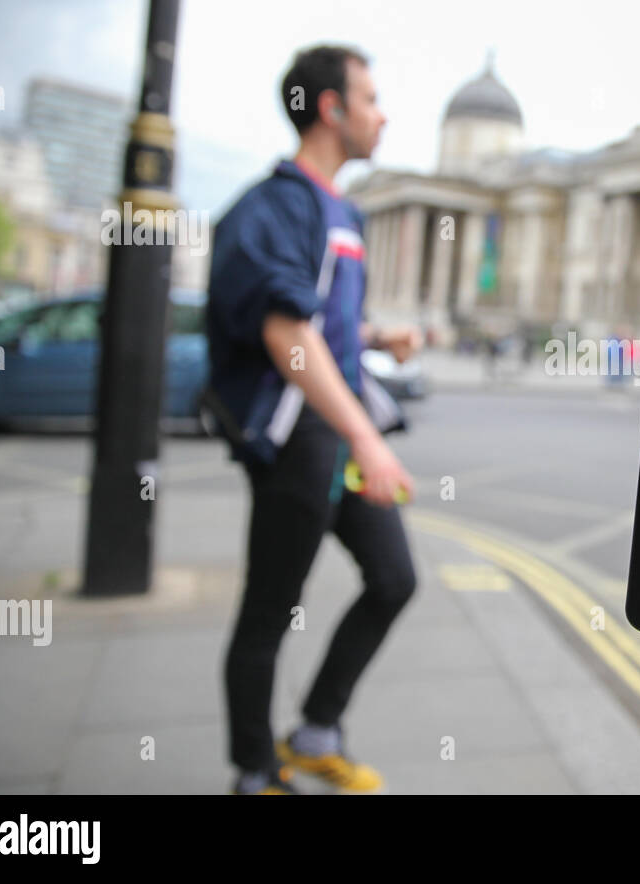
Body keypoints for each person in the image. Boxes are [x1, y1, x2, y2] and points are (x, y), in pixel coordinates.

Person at [206, 44, 422, 795]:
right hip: (300, 436)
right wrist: (367, 436)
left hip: (339, 426)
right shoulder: (270, 207)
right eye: (370, 98)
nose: (382, 113)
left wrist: (372, 335)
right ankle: (253, 771)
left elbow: (321, 326)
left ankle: (315, 732)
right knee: (269, 611)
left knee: (394, 580)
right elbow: (287, 338)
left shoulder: (347, 212)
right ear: (331, 109)